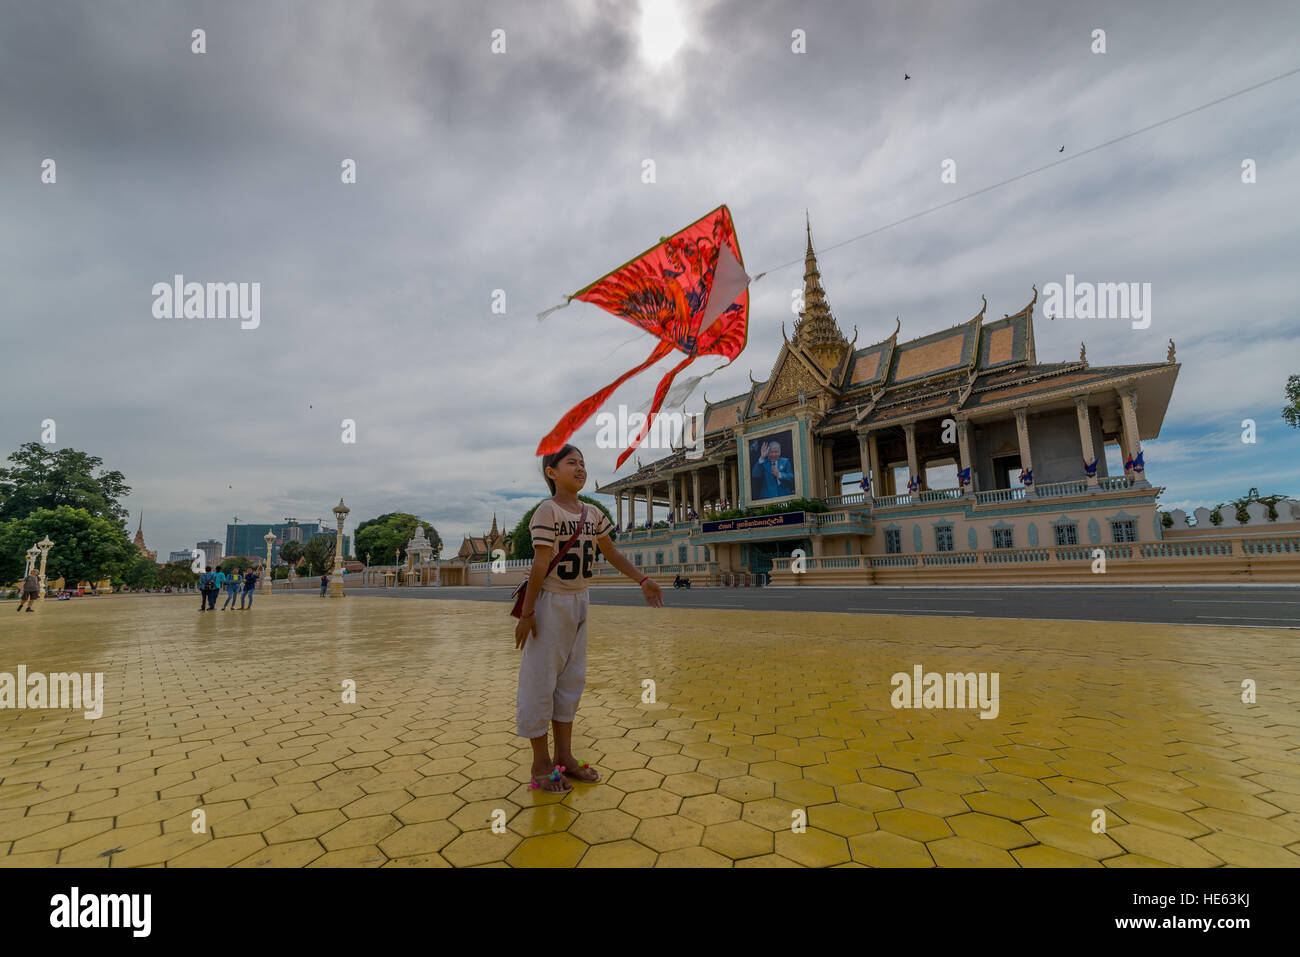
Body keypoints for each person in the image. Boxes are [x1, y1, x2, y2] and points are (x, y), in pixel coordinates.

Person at [515, 444, 663, 792]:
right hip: (550, 604)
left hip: (580, 601)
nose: (580, 468)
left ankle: (564, 755)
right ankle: (540, 763)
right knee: (540, 682)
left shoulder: (593, 513)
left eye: (583, 463)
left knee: (571, 681)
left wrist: (642, 579)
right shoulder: (546, 511)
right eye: (571, 463)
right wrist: (527, 612)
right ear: (551, 472)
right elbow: (540, 564)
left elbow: (610, 552)